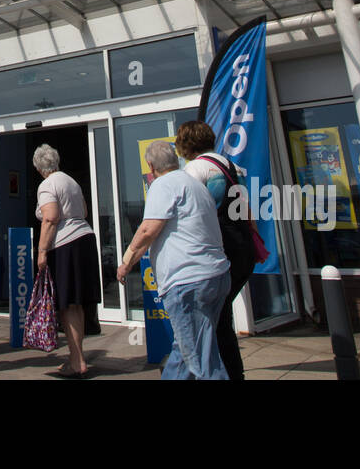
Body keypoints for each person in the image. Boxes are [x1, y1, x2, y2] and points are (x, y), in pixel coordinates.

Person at [117, 140, 230, 380]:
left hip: (188, 281)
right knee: (194, 349)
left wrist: (126, 262)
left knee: (196, 356)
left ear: (151, 166)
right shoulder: (196, 184)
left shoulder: (163, 185)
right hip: (216, 275)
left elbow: (148, 229)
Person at [177, 120, 250, 380]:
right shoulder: (231, 165)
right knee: (220, 318)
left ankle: (214, 372)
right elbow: (245, 211)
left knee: (209, 321)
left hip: (220, 249)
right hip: (242, 246)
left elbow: (189, 210)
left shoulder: (195, 169)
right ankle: (231, 371)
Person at [32, 143, 101, 378]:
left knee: (67, 304)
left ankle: (76, 362)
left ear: (39, 167)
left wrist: (41, 251)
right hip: (85, 238)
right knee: (76, 304)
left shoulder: (47, 184)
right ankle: (76, 357)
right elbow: (83, 210)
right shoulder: (71, 182)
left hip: (66, 245)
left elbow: (50, 218)